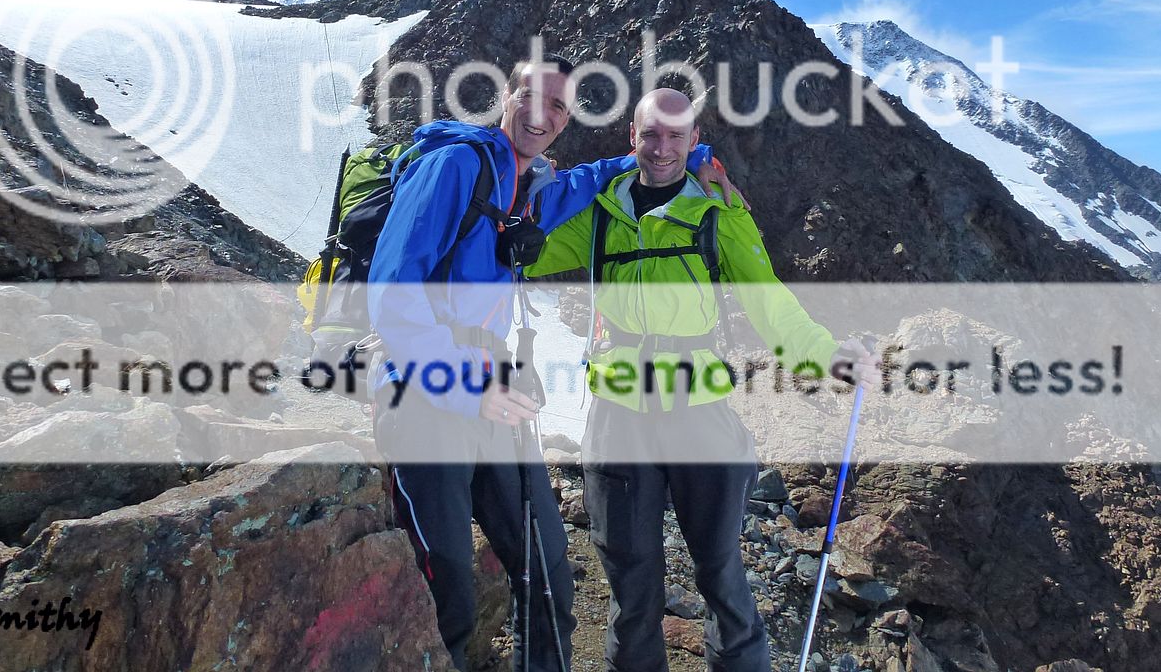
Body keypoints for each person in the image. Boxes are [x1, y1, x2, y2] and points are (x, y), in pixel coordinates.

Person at [367, 60, 733, 672]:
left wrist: (698, 155)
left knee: (547, 568)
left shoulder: (530, 186)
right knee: (448, 583)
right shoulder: (453, 166)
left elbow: (612, 169)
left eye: (559, 107)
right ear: (506, 97)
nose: (543, 115)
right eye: (531, 97)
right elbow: (390, 297)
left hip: (494, 391)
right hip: (423, 393)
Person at [525, 88, 879, 672]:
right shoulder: (598, 214)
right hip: (620, 416)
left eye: (674, 136)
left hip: (700, 411)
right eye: (649, 135)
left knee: (719, 570)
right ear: (630, 139)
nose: (661, 147)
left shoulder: (719, 211)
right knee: (630, 582)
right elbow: (520, 255)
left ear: (693, 140)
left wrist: (825, 354)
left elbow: (768, 301)